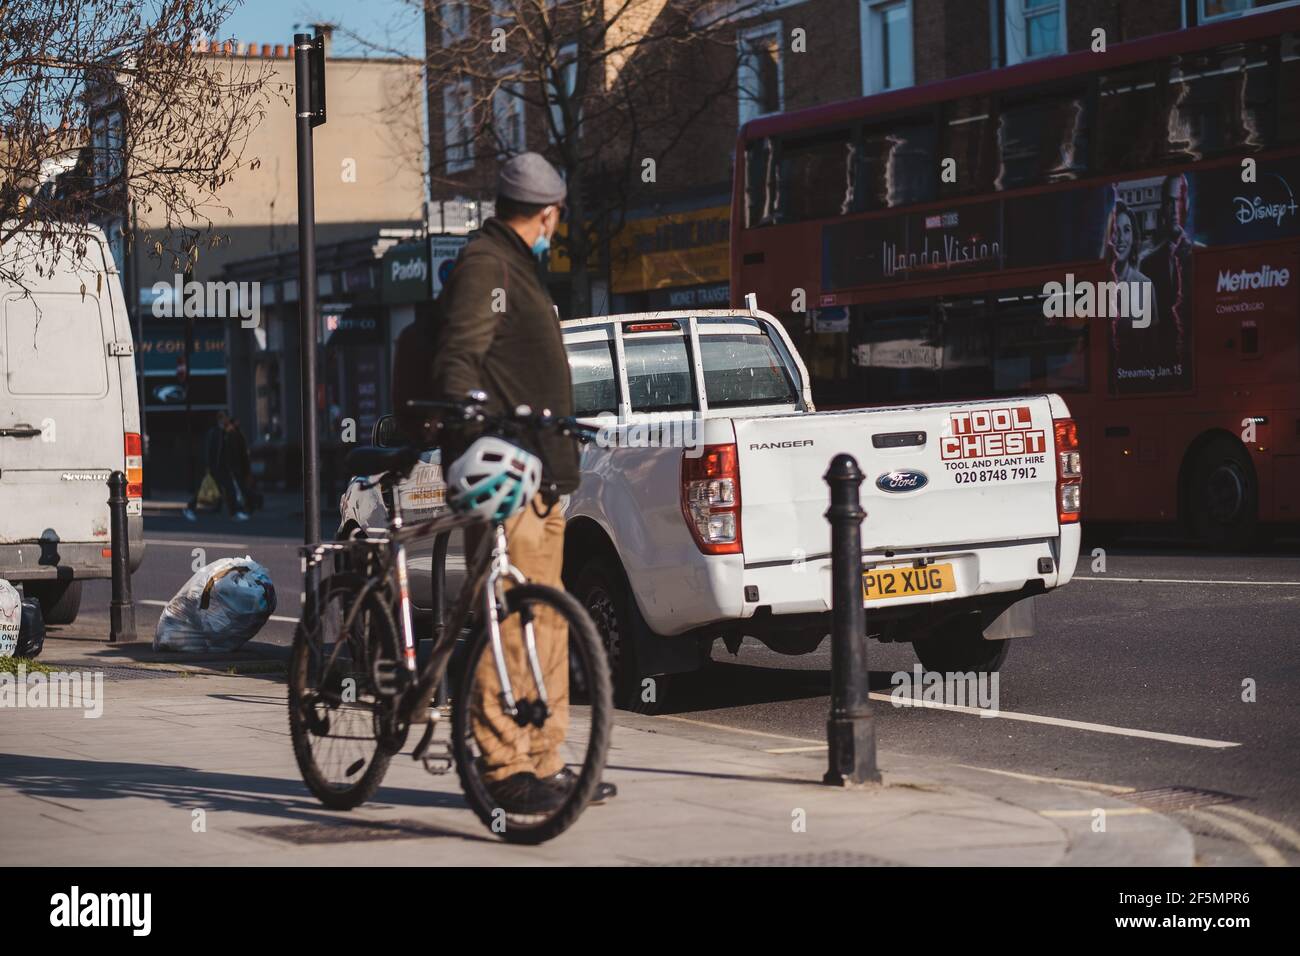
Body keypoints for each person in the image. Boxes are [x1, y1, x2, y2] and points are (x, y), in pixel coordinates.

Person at [430, 152, 614, 814]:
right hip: (510, 471)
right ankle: (504, 766)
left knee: (547, 622)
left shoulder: (517, 265)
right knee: (509, 623)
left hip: (544, 474)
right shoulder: (489, 263)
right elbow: (459, 357)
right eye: (555, 218)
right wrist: (479, 431)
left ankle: (548, 760)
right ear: (547, 213)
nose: (555, 227)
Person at [182, 411, 249, 522]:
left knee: (229, 490)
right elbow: (209, 450)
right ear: (220, 419)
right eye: (225, 418)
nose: (227, 420)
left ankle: (235, 512)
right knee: (205, 490)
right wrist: (208, 465)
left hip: (224, 467)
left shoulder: (226, 432)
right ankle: (190, 509)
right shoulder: (214, 432)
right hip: (215, 467)